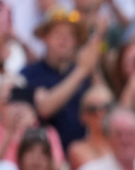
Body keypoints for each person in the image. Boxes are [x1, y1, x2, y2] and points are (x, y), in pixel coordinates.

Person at [21, 9, 103, 149]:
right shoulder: (29, 73)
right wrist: (81, 71)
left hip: (85, 153)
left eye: (70, 35)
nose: (64, 39)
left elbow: (105, 104)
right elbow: (44, 108)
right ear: (44, 38)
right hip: (48, 156)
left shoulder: (84, 70)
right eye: (57, 34)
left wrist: (93, 68)